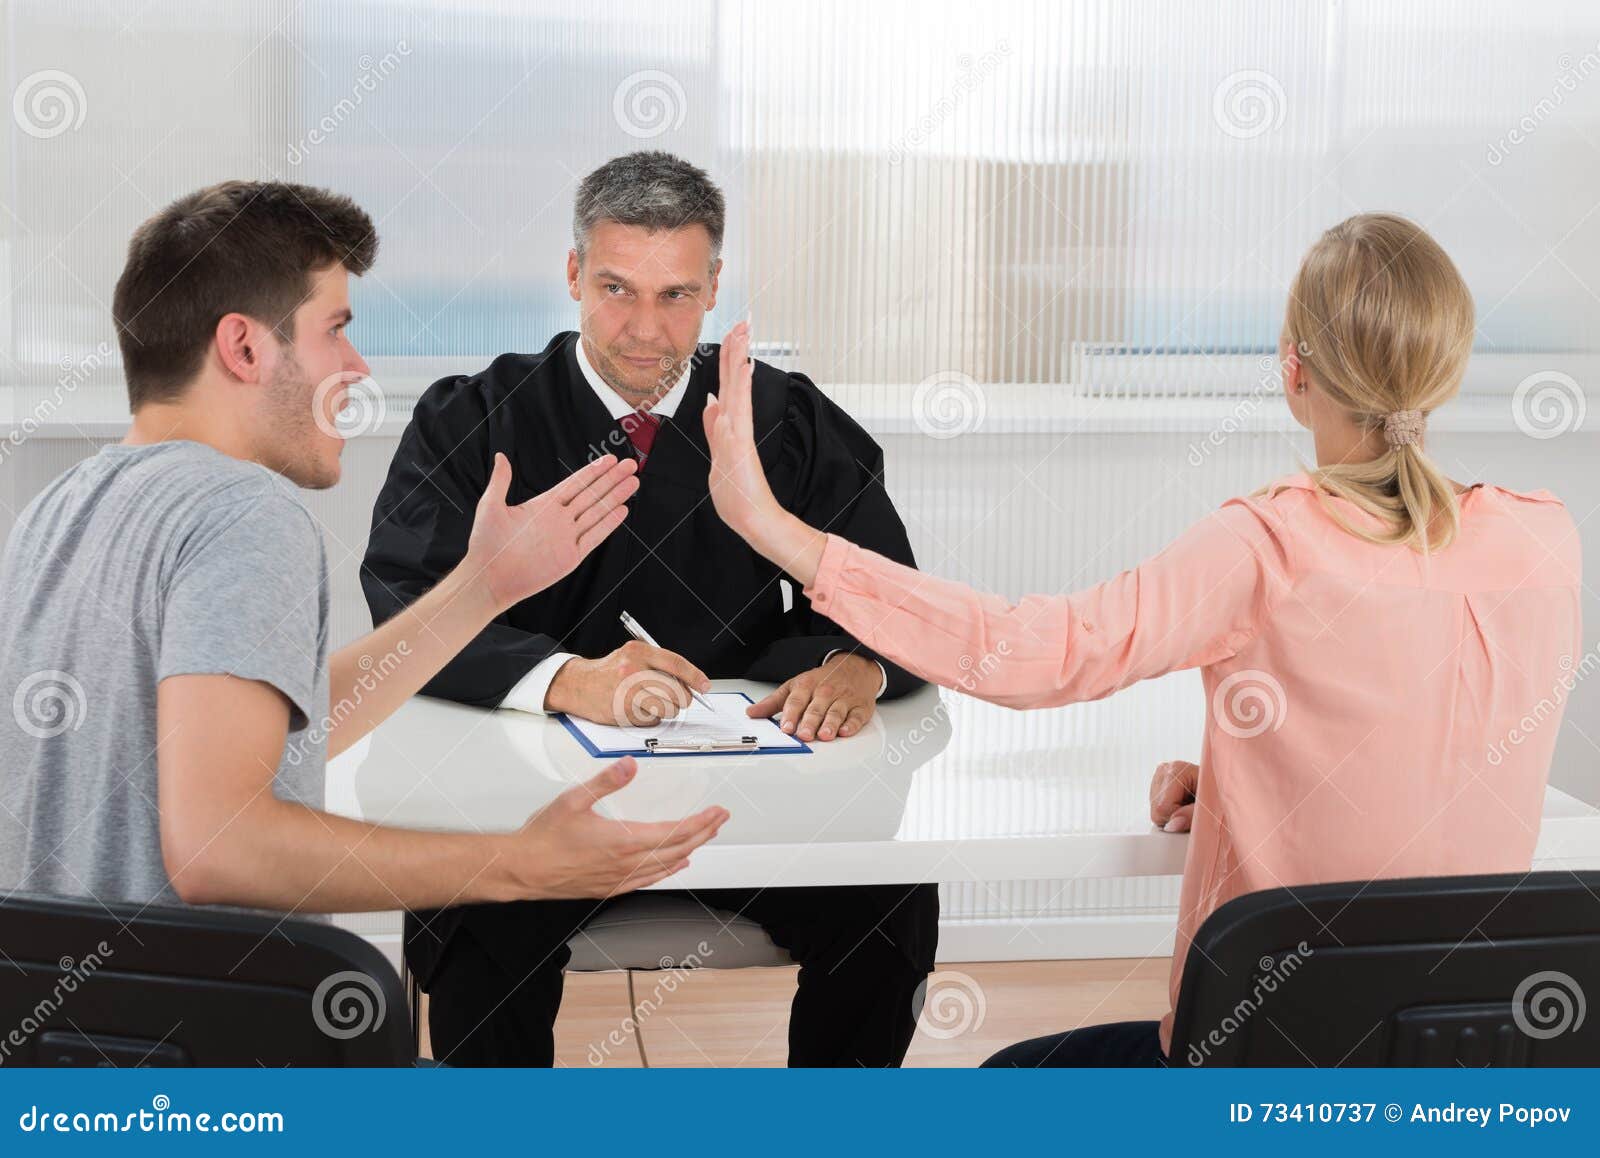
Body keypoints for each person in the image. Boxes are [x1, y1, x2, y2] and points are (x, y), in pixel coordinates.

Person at [698, 213, 1582, 1066]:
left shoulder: (1267, 545)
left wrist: (772, 524)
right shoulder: (1546, 541)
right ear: (1448, 370)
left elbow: (1033, 651)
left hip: (1265, 1064)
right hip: (1464, 1061)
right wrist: (1278, 773)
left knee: (1007, 1087)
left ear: (1292, 369)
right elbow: (1445, 739)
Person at [0, 181, 727, 933]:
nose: (357, 368)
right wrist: (519, 865)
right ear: (245, 347)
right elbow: (221, 849)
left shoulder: (62, 508)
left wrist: (481, 588)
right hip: (202, 1031)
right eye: (335, 329)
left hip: (69, 1030)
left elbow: (285, 729)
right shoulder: (243, 515)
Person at [361, 151, 938, 1068]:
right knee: (479, 919)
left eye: (676, 295)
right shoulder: (475, 418)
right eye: (616, 289)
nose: (643, 330)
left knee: (890, 901)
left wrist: (853, 666)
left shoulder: (782, 421)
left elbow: (896, 594)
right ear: (571, 276)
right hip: (532, 803)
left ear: (714, 287)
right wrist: (564, 680)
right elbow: (405, 601)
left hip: (753, 800)